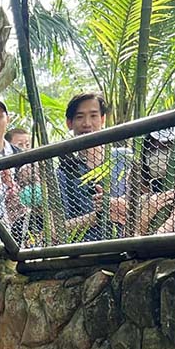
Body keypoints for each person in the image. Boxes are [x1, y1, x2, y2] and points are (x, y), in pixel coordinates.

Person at [57, 91, 128, 240]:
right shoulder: (63, 172)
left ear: (102, 119)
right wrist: (98, 216)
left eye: (93, 115)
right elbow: (58, 228)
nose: (87, 123)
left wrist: (120, 205)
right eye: (80, 117)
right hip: (84, 248)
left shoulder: (124, 158)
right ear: (69, 123)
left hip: (127, 243)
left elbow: (143, 201)